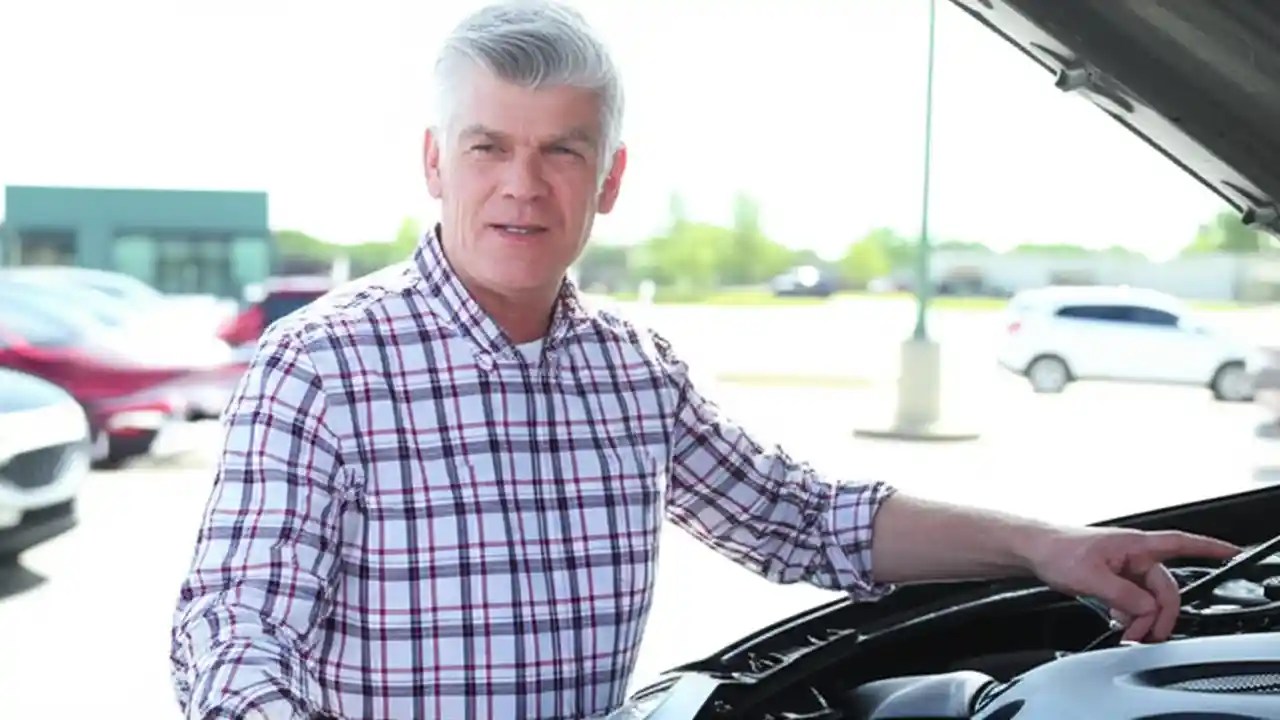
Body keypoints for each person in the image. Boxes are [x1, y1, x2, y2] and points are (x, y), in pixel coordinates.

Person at [169, 2, 1240, 718]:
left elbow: (806, 519)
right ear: (434, 162)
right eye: (489, 146)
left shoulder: (631, 370)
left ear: (610, 178)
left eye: (561, 151)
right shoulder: (324, 363)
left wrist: (1048, 547)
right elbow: (231, 629)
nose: (521, 186)